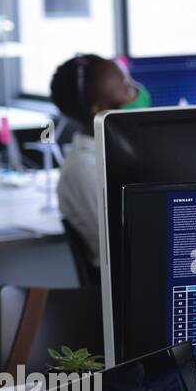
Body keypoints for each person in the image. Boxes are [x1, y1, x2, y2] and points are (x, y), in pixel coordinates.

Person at [48, 54, 139, 266]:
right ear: (99, 110)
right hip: (123, 282)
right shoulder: (84, 169)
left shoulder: (117, 151)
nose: (137, 92)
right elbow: (123, 244)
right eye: (126, 88)